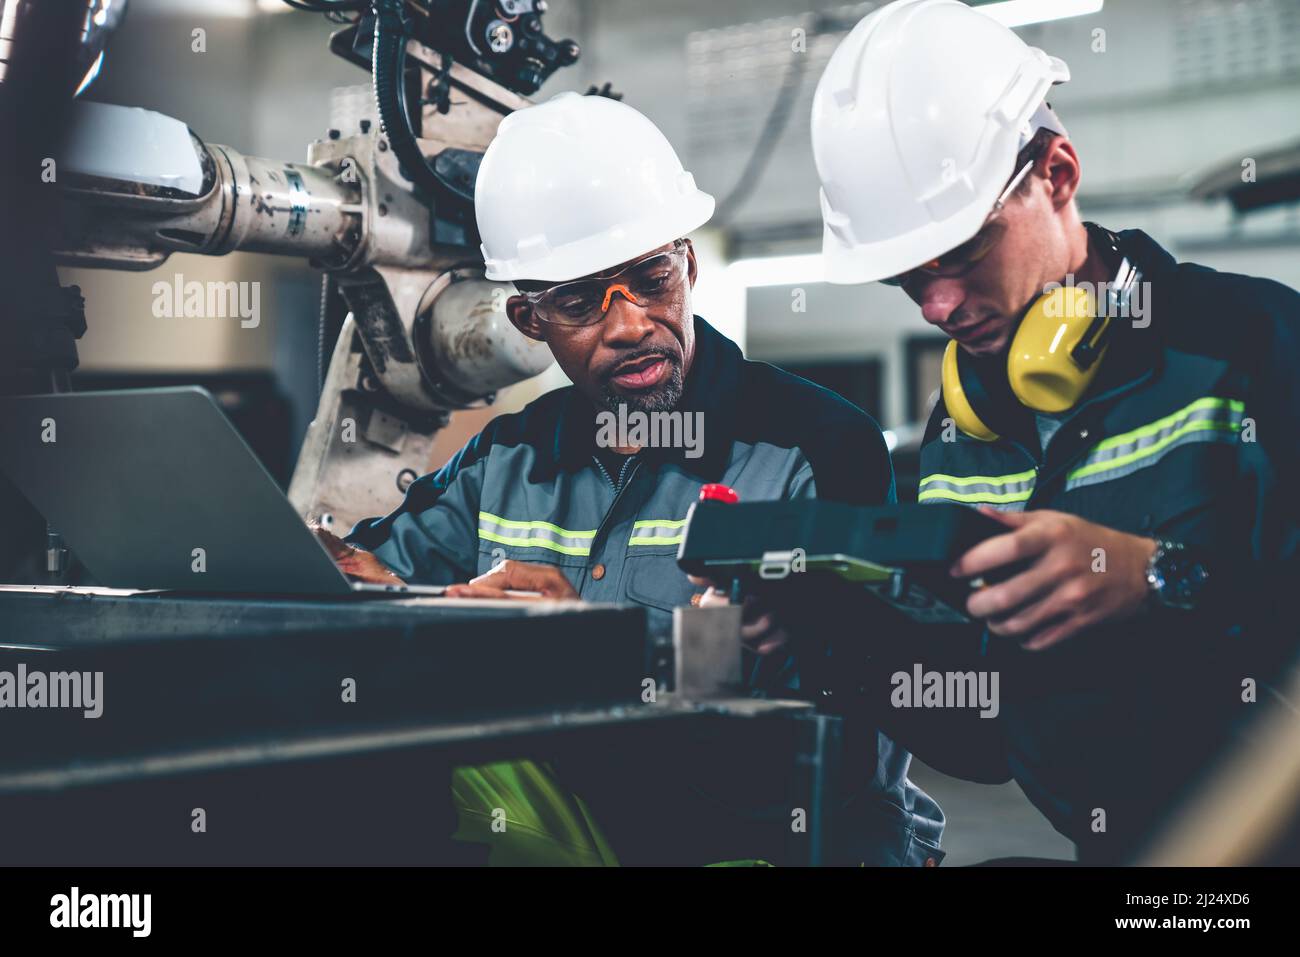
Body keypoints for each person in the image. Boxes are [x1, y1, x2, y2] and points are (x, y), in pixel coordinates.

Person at [319, 91, 943, 865]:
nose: (628, 325)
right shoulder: (508, 458)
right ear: (529, 323)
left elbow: (843, 750)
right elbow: (378, 570)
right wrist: (342, 577)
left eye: (649, 278)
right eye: (580, 301)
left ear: (685, 263)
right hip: (602, 816)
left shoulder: (814, 449)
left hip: (770, 834)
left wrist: (603, 655)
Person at [806, 0, 1300, 862]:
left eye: (960, 255)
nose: (939, 307)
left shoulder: (1252, 345)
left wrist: (1158, 578)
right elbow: (987, 740)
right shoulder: (965, 430)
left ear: (1058, 173)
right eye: (904, 281)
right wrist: (839, 646)